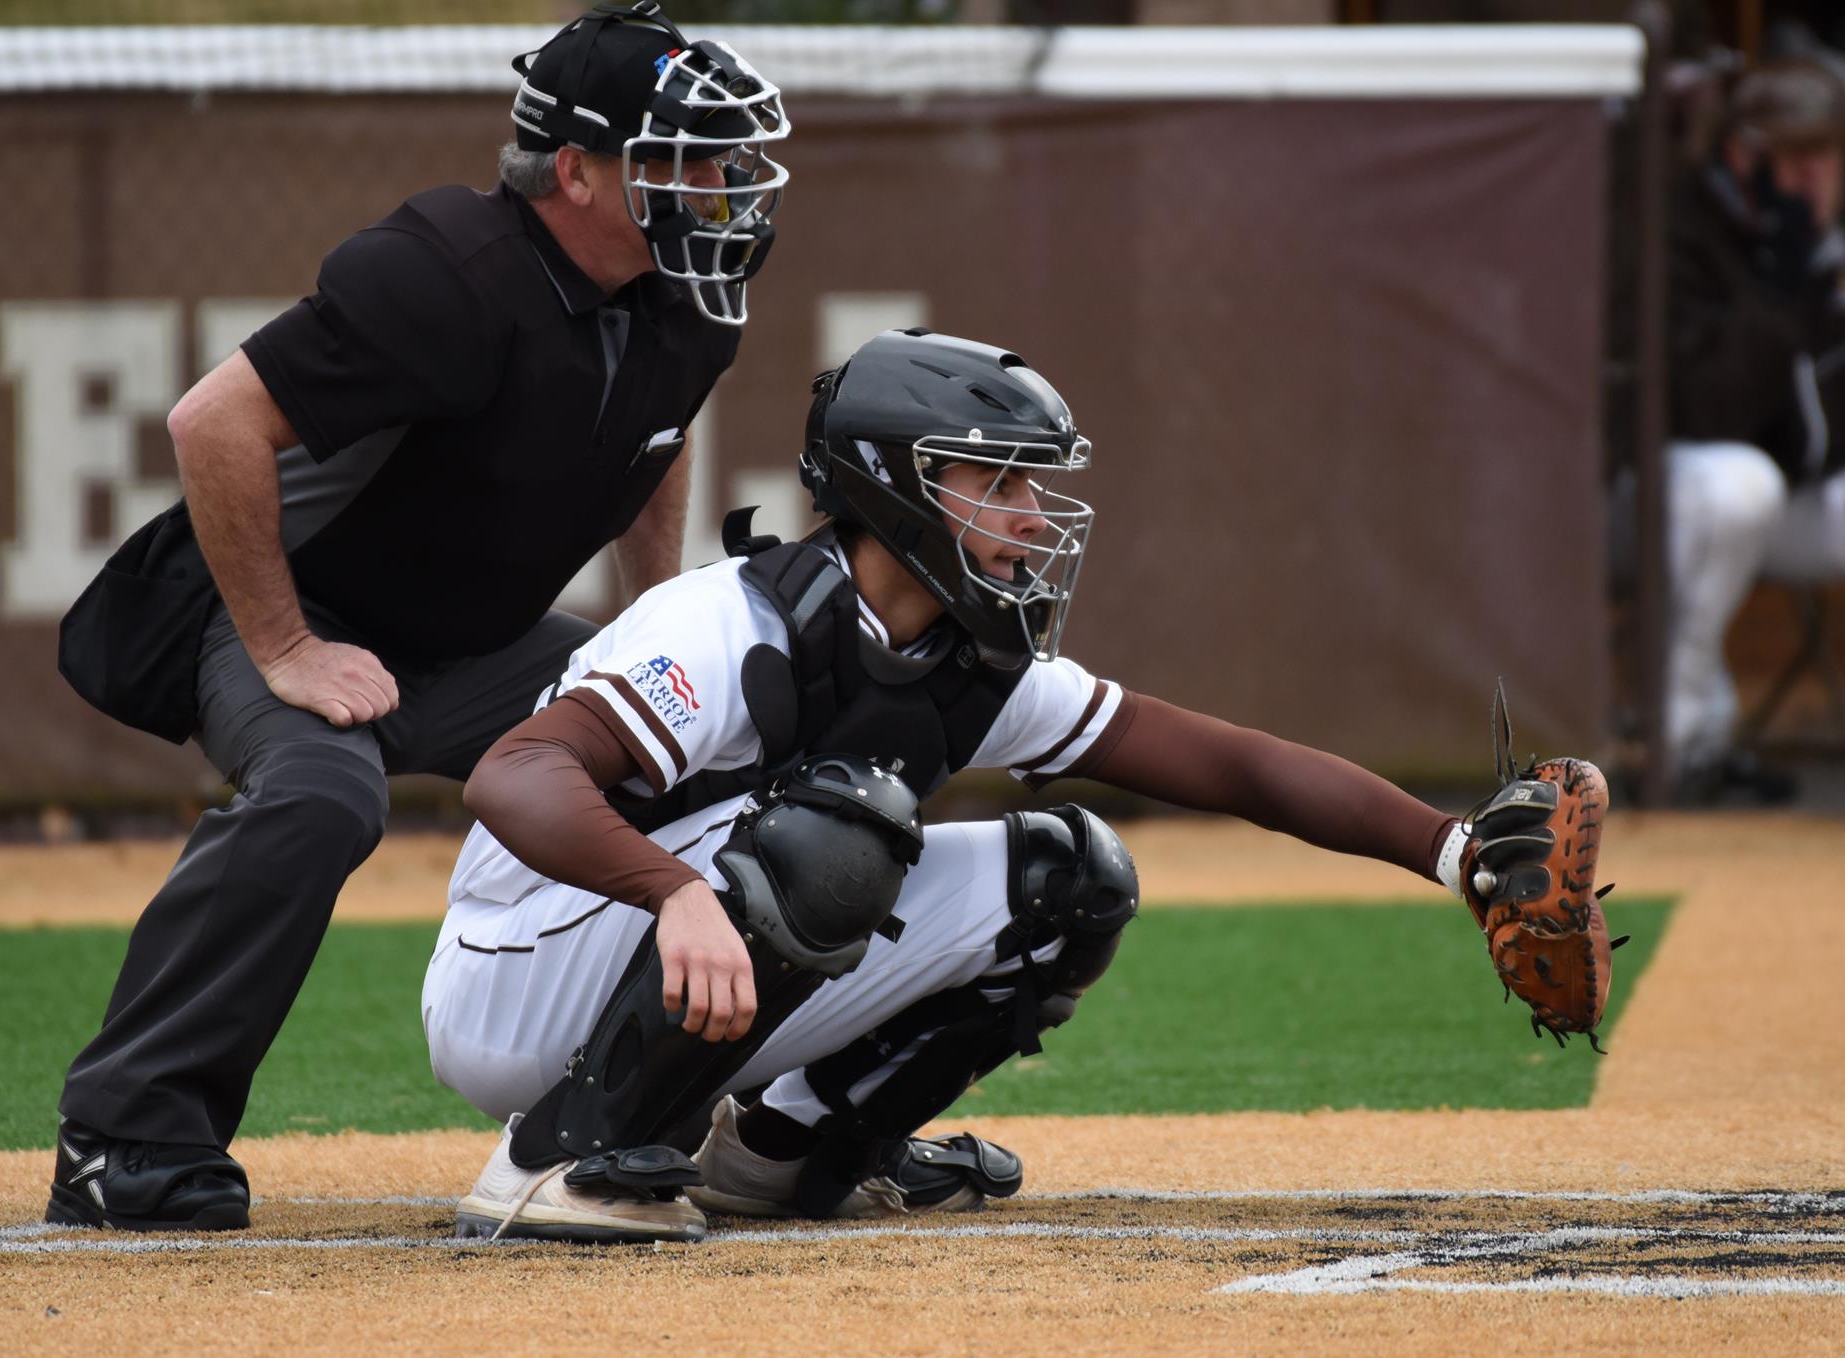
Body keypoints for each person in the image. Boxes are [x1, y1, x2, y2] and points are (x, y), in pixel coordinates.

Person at [418, 329, 1481, 1244]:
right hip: (517, 977)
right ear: (895, 483)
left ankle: (787, 1152)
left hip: (675, 941)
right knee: (837, 837)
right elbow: (514, 776)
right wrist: (673, 891)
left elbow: (1230, 762)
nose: (1031, 512)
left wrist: (1456, 853)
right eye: (1000, 480)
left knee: (1072, 877)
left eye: (1034, 482)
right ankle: (562, 1157)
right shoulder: (727, 622)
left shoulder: (963, 655)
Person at [46, 1, 789, 1232]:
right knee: (321, 795)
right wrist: (286, 644)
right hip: (289, 610)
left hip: (476, 640)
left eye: (722, 157)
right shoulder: (448, 271)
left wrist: (656, 629)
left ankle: (729, 1117)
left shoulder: (684, 293)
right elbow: (210, 424)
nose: (717, 187)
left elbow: (660, 434)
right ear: (576, 170)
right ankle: (122, 1132)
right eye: (682, 157)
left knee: (720, 739)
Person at [1665, 59, 1845, 797]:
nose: (1813, 180)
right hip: (1675, 492)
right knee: (1744, 486)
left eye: (1825, 158)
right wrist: (1782, 295)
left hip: (1798, 495)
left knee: (1767, 488)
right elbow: (1706, 407)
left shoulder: (1827, 245)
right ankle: (1684, 741)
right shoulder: (1681, 229)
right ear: (1745, 156)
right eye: (1794, 159)